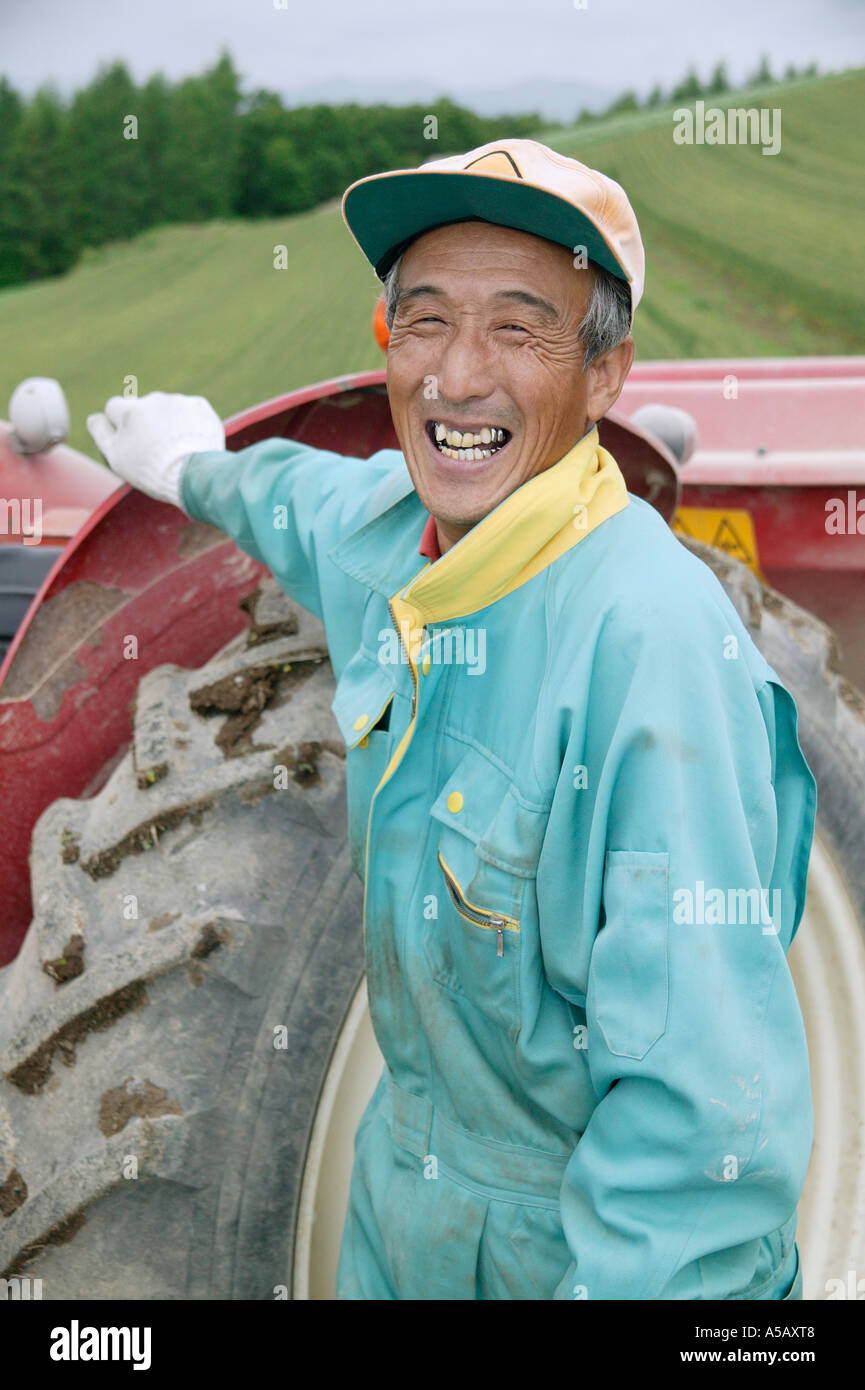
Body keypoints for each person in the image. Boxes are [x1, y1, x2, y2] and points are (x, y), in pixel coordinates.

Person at [87, 138, 816, 1301]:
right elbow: (310, 504)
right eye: (423, 321)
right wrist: (194, 468)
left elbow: (697, 1143)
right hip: (404, 1211)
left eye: (518, 329)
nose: (455, 376)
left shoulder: (651, 651)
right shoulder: (398, 541)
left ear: (605, 371)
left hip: (575, 1257)